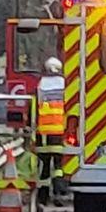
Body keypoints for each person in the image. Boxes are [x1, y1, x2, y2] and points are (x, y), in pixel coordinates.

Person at [36, 57, 67, 204]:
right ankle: (59, 193)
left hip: (43, 133)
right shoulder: (64, 85)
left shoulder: (41, 85)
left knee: (44, 166)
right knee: (59, 165)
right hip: (60, 132)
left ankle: (43, 197)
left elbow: (34, 108)